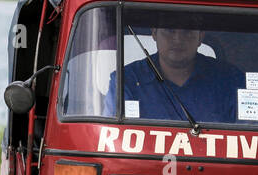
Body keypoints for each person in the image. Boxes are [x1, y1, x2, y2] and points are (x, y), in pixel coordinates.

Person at [103, 27, 243, 124]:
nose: (177, 39)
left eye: (187, 32)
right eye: (169, 31)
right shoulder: (126, 80)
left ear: (200, 37)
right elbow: (111, 136)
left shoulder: (230, 80)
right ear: (154, 33)